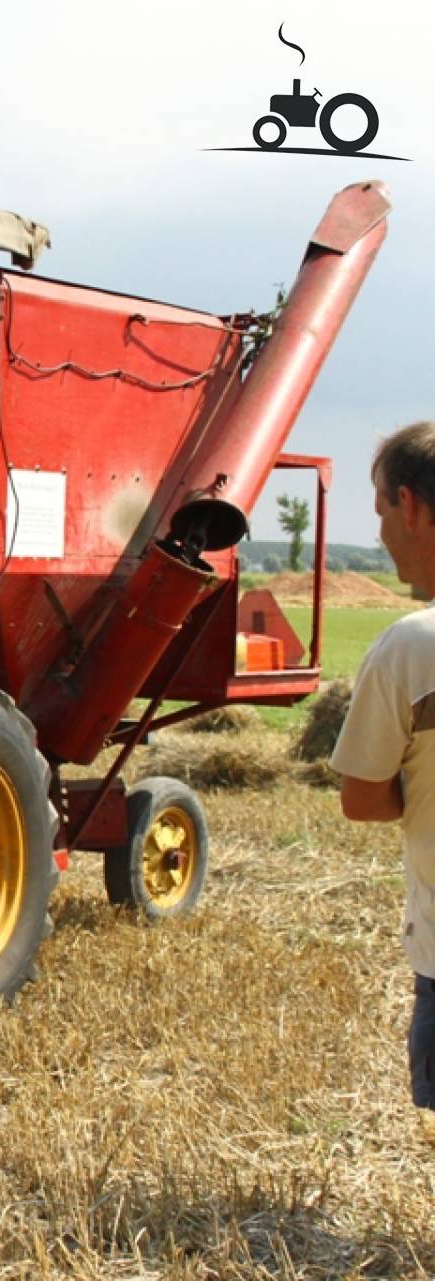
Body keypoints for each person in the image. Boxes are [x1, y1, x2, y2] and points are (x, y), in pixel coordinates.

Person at [332, 420, 435, 1116]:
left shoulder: (411, 648)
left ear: (412, 506)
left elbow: (364, 798)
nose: (380, 537)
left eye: (379, 513)